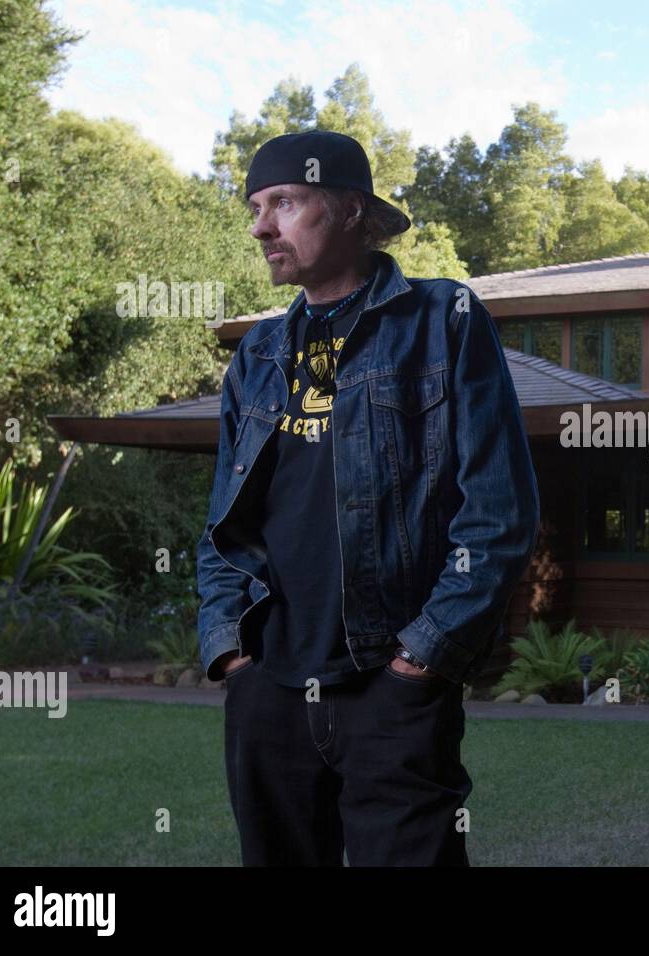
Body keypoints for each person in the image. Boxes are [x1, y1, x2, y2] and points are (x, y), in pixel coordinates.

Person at [195, 129, 540, 866]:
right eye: (256, 208)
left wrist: (421, 661)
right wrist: (231, 656)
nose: (261, 227)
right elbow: (222, 525)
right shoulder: (256, 356)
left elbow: (498, 513)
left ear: (351, 207)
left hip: (387, 687)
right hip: (270, 691)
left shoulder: (441, 321)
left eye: (283, 202)